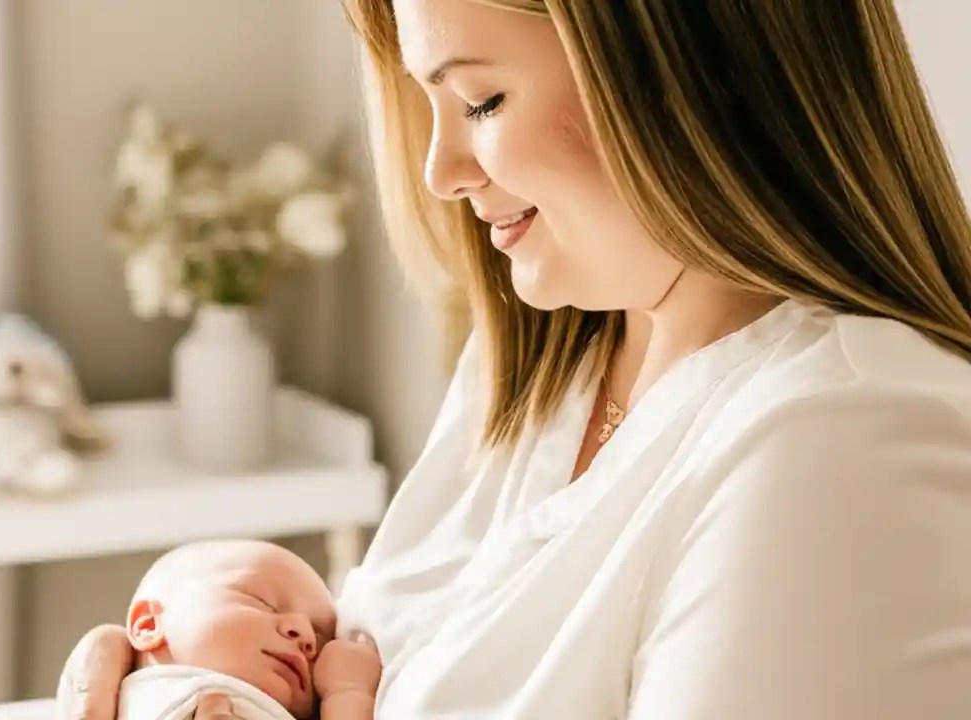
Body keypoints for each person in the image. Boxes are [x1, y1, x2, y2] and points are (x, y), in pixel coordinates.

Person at [59, 1, 971, 717]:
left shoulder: (841, 443)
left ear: (695, 74)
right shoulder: (547, 362)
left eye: (482, 101)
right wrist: (184, 675)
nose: (440, 170)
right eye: (428, 104)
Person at [111, 540, 379, 720]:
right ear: (148, 625)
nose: (305, 635)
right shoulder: (178, 696)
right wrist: (348, 694)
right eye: (264, 602)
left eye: (321, 641)